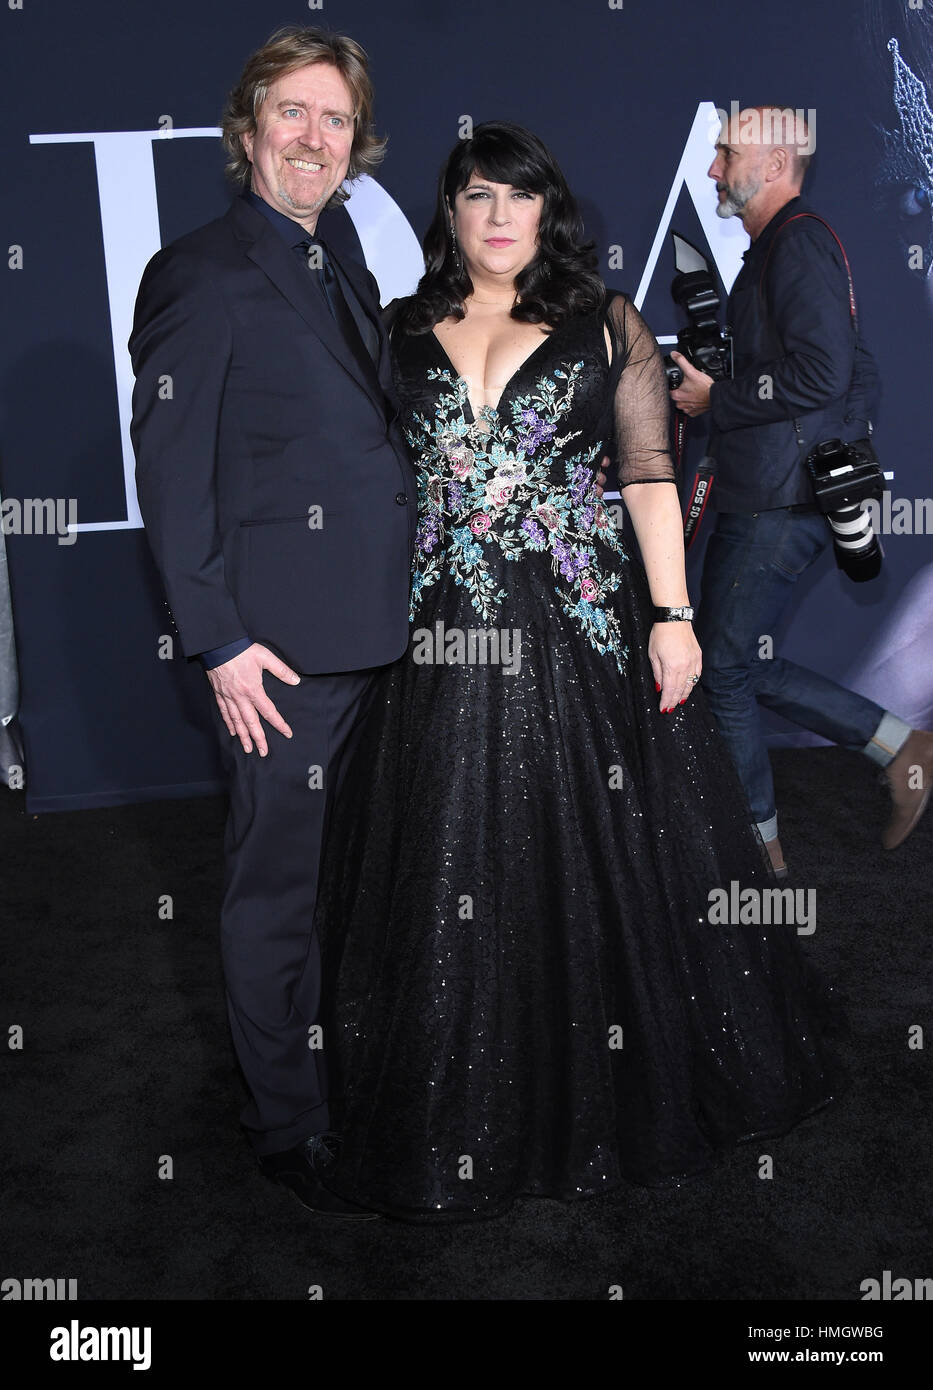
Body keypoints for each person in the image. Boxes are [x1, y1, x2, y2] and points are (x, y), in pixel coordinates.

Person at [313, 122, 837, 1224]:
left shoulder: (606, 324)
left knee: (611, 853)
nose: (499, 215)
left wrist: (676, 615)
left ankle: (621, 1081)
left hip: (582, 623)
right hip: (442, 632)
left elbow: (648, 476)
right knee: (446, 852)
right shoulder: (401, 329)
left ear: (548, 212)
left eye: (520, 196)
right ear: (450, 213)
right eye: (477, 195)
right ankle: (453, 1101)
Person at [129, 26, 419, 1218]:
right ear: (247, 129)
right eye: (292, 115)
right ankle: (285, 1121)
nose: (313, 138)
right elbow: (171, 474)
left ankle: (335, 1071)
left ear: (358, 145)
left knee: (352, 880)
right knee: (276, 889)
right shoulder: (198, 272)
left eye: (334, 120)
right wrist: (218, 639)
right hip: (280, 653)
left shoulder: (335, 245)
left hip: (378, 636)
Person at [671, 105, 933, 874]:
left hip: (778, 503)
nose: (714, 169)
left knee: (721, 670)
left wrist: (717, 401)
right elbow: (857, 371)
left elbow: (822, 373)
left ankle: (759, 853)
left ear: (776, 164)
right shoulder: (776, 250)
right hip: (776, 493)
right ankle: (900, 746)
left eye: (725, 154)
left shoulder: (798, 243)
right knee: (730, 665)